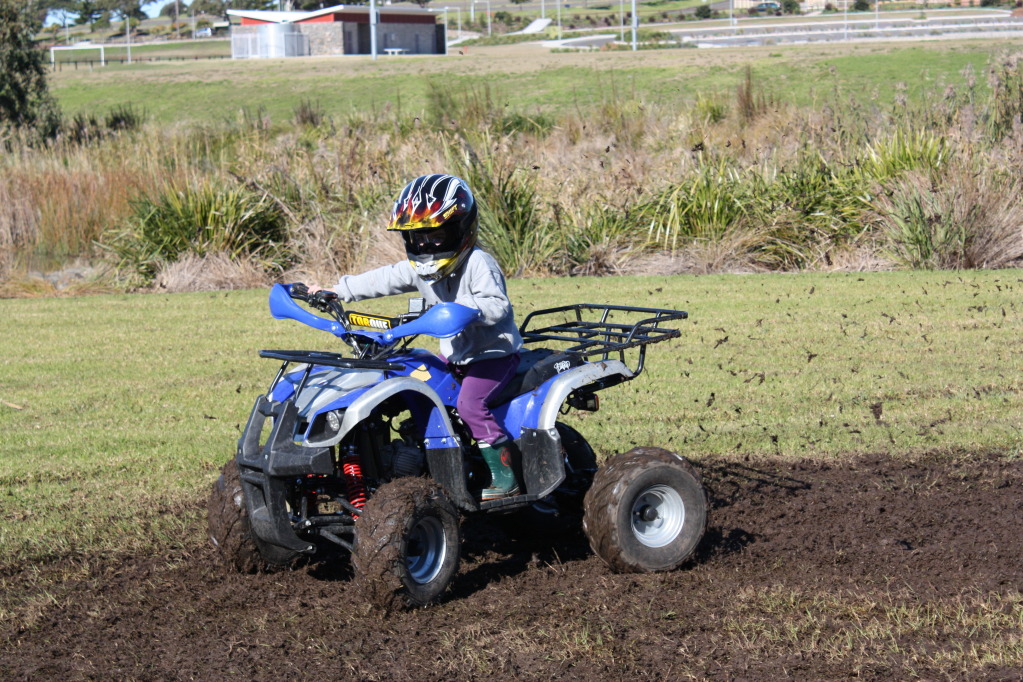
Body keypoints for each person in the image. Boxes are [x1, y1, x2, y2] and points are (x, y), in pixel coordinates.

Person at [307, 174, 524, 501]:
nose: (424, 245)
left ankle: (505, 475)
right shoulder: (420, 269)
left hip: (493, 357)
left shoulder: (479, 262)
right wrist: (336, 292)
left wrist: (468, 310)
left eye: (434, 235)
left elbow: (497, 305)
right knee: (411, 376)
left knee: (470, 404)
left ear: (460, 228)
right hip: (454, 358)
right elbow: (383, 279)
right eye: (415, 237)